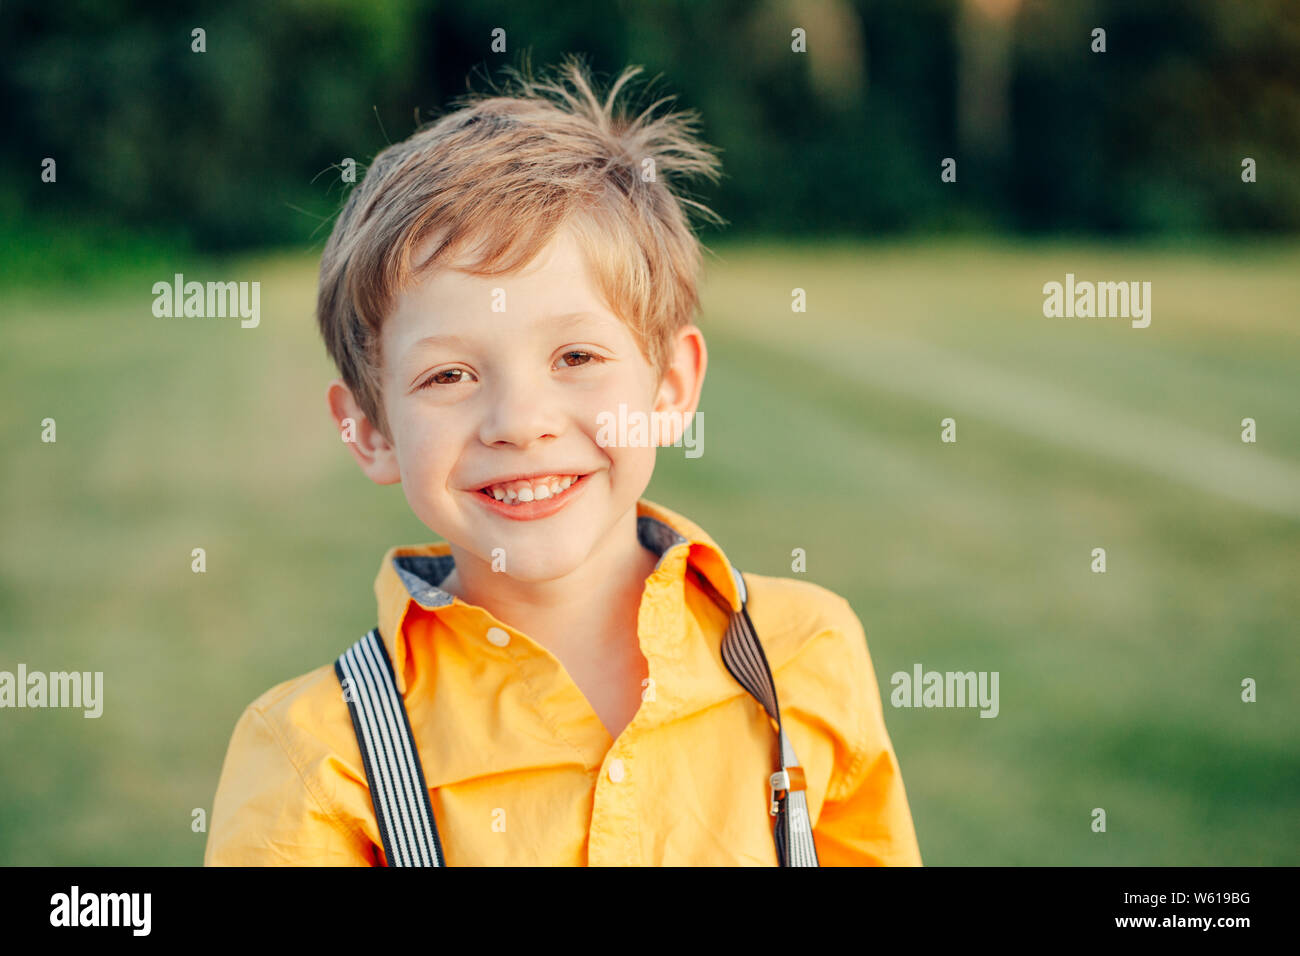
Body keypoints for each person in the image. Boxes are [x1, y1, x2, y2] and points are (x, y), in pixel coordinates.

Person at [204, 55, 922, 866]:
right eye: (450, 376)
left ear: (671, 387)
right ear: (370, 429)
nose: (520, 423)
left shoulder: (806, 657)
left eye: (576, 357)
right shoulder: (316, 758)